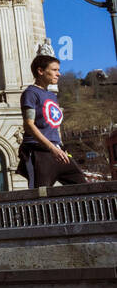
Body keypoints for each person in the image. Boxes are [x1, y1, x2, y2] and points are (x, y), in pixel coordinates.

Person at [17, 54, 87, 188]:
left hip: (59, 151)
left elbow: (53, 127)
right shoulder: (30, 93)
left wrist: (60, 148)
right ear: (41, 71)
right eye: (54, 70)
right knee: (40, 197)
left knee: (84, 188)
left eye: (58, 70)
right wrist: (52, 148)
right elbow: (28, 125)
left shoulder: (51, 96)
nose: (59, 74)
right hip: (38, 153)